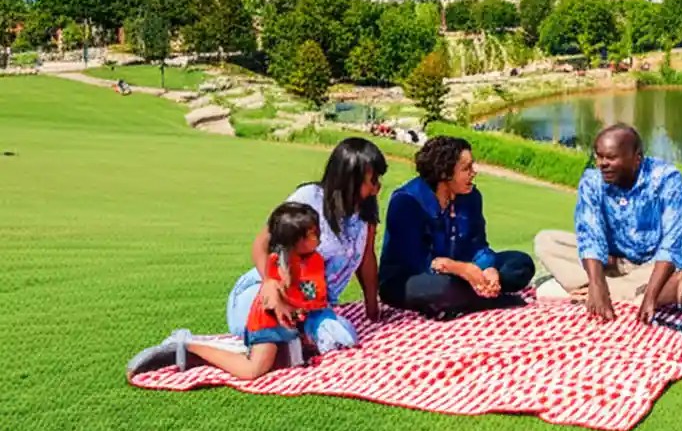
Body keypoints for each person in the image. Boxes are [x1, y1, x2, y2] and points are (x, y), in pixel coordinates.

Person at [126, 139, 386, 377]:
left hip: (312, 305)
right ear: (348, 178)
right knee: (272, 344)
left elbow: (366, 260)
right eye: (372, 180)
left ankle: (270, 350)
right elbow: (261, 245)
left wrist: (372, 311)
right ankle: (188, 348)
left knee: (341, 340)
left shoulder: (364, 215)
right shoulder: (309, 199)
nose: (377, 188)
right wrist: (270, 284)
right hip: (270, 290)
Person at [534, 123, 682, 323]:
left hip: (652, 266)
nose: (602, 163)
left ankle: (595, 290)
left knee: (676, 272)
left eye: (611, 158)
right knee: (546, 241)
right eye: (599, 156)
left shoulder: (666, 179)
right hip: (611, 261)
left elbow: (672, 244)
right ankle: (608, 290)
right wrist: (597, 284)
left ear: (637, 158)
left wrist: (651, 298)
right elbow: (590, 235)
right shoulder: (592, 180)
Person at [174, 202, 348, 380]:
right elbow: (274, 299)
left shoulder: (313, 260)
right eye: (313, 234)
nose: (319, 237)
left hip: (290, 323)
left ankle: (289, 347)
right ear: (297, 241)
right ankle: (190, 347)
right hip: (268, 324)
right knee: (252, 371)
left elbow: (311, 293)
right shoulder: (280, 264)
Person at [379, 136, 535, 317]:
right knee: (443, 287)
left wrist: (489, 270)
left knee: (521, 263)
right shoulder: (406, 202)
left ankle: (473, 296)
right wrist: (460, 269)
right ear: (445, 173)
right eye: (466, 168)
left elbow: (478, 245)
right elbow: (417, 262)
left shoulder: (471, 197)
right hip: (412, 278)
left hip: (461, 270)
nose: (473, 173)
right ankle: (497, 301)